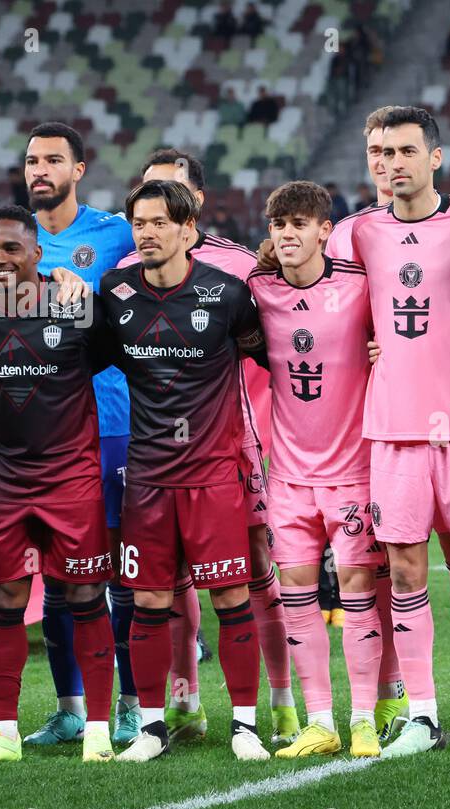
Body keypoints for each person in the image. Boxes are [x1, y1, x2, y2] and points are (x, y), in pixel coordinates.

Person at [335, 107, 450, 758]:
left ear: (436, 158)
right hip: (391, 431)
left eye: (405, 151)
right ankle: (422, 715)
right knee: (407, 568)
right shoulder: (353, 234)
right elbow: (330, 311)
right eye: (380, 152)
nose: (391, 163)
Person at [119, 148, 290, 744]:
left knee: (231, 594)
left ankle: (246, 724)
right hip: (146, 479)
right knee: (149, 599)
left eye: (160, 223)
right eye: (139, 223)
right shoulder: (115, 297)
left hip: (215, 471)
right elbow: (73, 363)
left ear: (189, 229)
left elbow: (278, 356)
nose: (147, 233)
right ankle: (150, 726)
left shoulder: (226, 292)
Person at [0, 206, 114, 764]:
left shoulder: (77, 305)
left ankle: (95, 728)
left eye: (11, 249)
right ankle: (3, 734)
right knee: (8, 600)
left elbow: (123, 358)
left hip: (72, 478)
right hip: (6, 481)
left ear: (37, 254)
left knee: (87, 598)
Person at [248, 180, 384, 758]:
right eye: (280, 226)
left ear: (326, 231)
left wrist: (382, 350)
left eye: (299, 225)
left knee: (356, 590)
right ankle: (320, 721)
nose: (288, 235)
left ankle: (363, 721)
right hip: (287, 478)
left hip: (353, 470)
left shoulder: (360, 286)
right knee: (296, 593)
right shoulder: (257, 288)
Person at [22, 121, 138, 746]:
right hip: (42, 431)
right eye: (31, 160)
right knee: (57, 576)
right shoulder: (11, 238)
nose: (39, 170)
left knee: (117, 570)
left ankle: (126, 701)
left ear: (79, 169)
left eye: (52, 160)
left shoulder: (117, 233)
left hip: (112, 422)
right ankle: (69, 708)